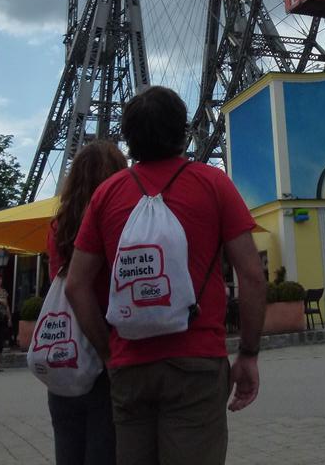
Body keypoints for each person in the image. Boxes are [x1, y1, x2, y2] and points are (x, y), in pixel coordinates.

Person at [66, 85, 267, 465]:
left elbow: (76, 285)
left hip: (129, 366)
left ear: (129, 138)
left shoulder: (106, 194)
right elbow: (253, 275)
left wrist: (109, 352)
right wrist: (249, 353)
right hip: (197, 360)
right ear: (183, 130)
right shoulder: (213, 183)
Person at [47, 139, 128, 465]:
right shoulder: (117, 223)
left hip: (65, 355)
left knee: (68, 449)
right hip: (106, 350)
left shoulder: (58, 227)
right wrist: (109, 353)